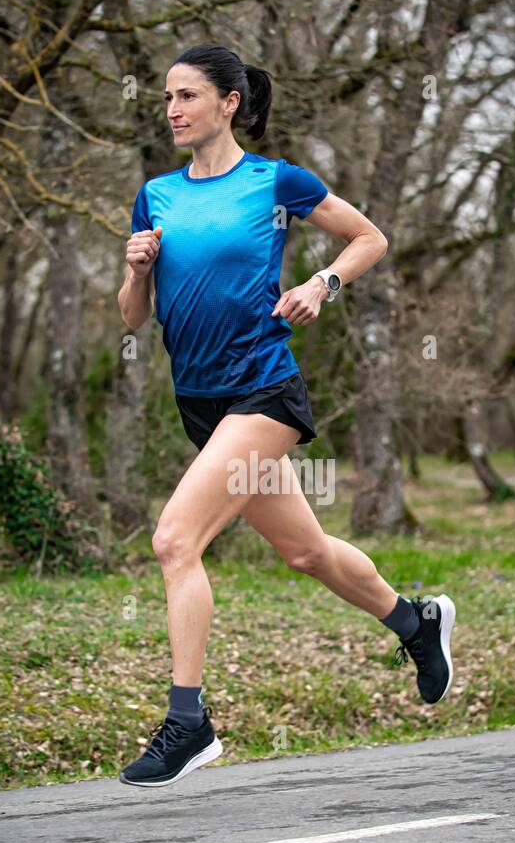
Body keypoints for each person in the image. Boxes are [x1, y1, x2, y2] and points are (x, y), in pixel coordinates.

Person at [116, 43, 455, 788]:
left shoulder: (276, 182)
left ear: (228, 103)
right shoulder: (156, 196)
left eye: (187, 96)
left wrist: (322, 284)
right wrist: (138, 270)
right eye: (167, 98)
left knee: (175, 540)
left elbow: (369, 237)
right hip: (200, 403)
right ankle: (415, 622)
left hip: (263, 391)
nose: (172, 110)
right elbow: (134, 320)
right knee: (304, 552)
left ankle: (189, 721)